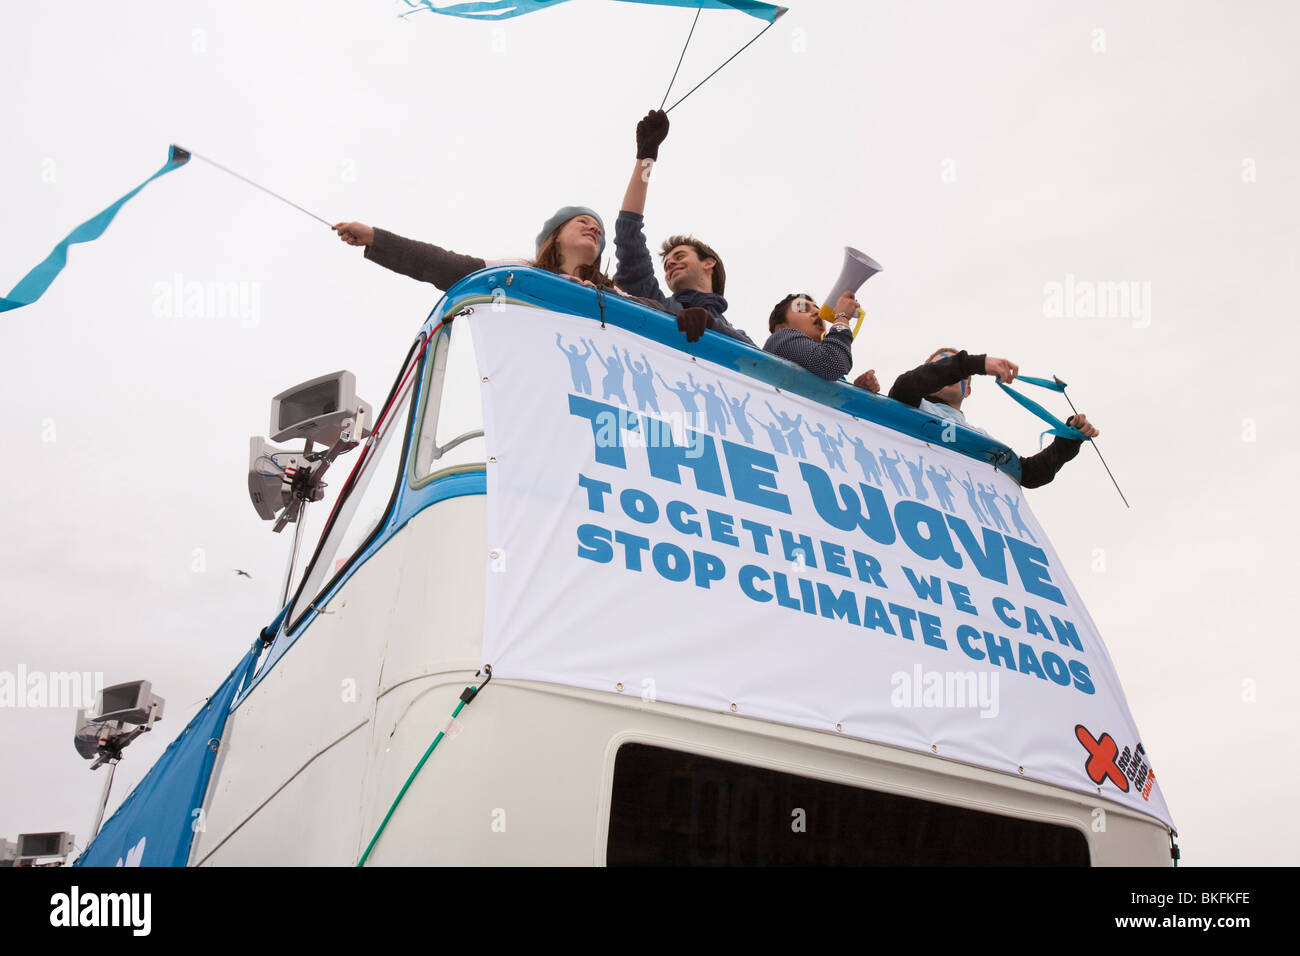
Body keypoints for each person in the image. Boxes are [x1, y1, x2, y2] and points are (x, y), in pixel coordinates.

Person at [613, 109, 754, 345]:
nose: (670, 264)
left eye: (679, 256)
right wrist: (646, 158)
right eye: (667, 263)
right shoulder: (657, 304)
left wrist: (711, 324)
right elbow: (628, 234)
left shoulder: (740, 337)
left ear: (709, 262)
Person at [887, 347, 1100, 488]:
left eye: (955, 371)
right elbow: (906, 385)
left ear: (967, 390)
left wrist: (1068, 439)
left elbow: (1027, 473)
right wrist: (976, 364)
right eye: (941, 366)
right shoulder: (909, 404)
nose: (949, 372)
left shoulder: (979, 437)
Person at [333, 206, 619, 292]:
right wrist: (375, 238)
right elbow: (445, 265)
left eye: (599, 230)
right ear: (555, 237)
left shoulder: (616, 294)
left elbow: (661, 314)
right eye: (583, 221)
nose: (594, 228)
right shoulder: (516, 274)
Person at [764, 291, 878, 384]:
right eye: (803, 309)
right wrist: (841, 317)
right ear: (780, 327)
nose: (817, 312)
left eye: (818, 310)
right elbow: (833, 364)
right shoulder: (780, 337)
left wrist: (856, 391)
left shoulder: (822, 362)